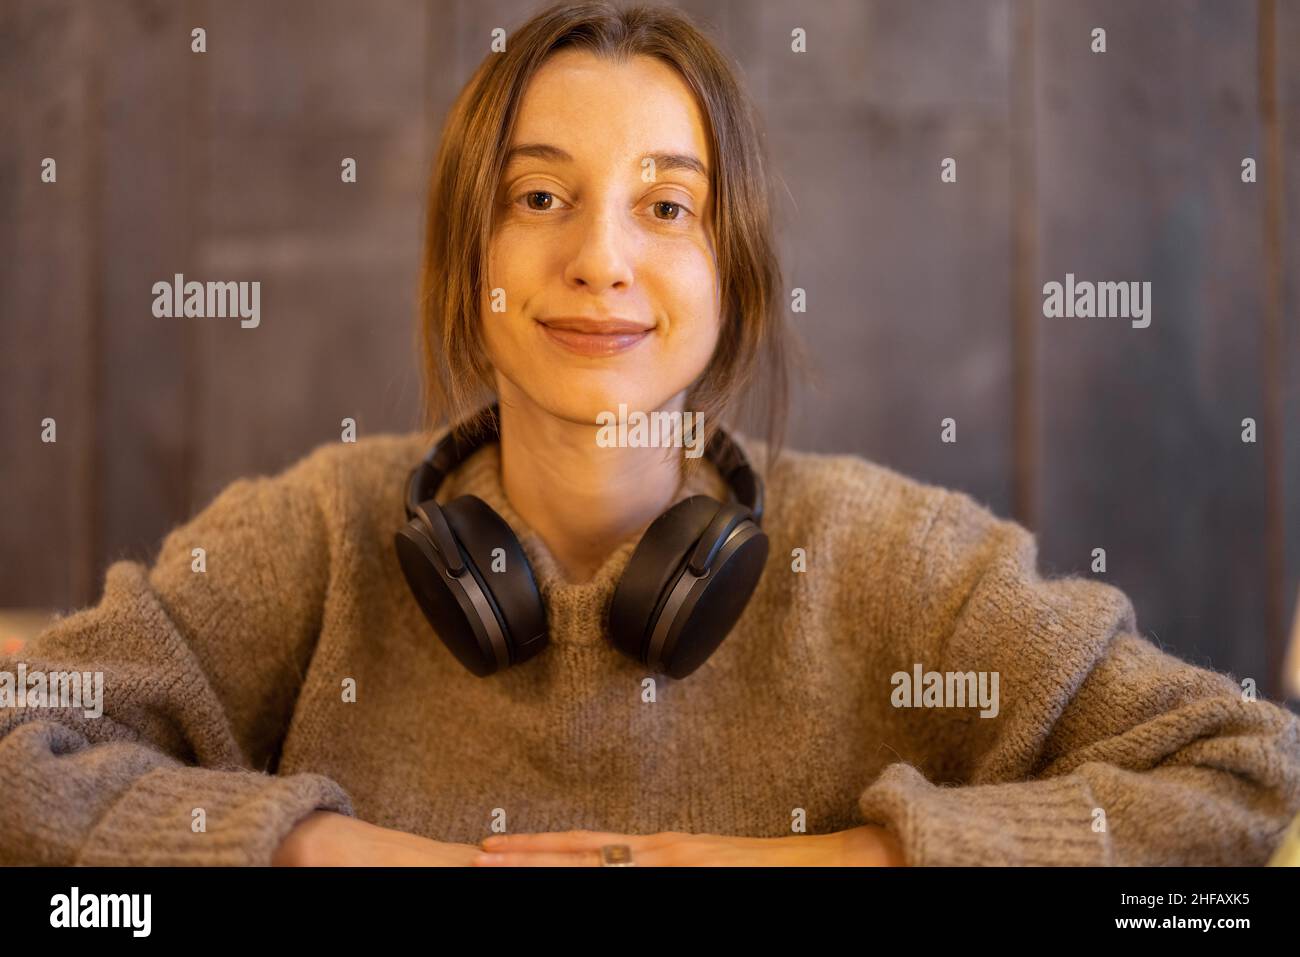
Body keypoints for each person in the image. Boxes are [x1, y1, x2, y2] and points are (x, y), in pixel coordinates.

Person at [3, 1, 1298, 868]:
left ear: (731, 266)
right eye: (542, 195)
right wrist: (332, 848)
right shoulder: (311, 532)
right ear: (471, 254)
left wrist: (826, 861)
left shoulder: (891, 555)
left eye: (666, 207)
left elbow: (1244, 777)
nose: (600, 258)